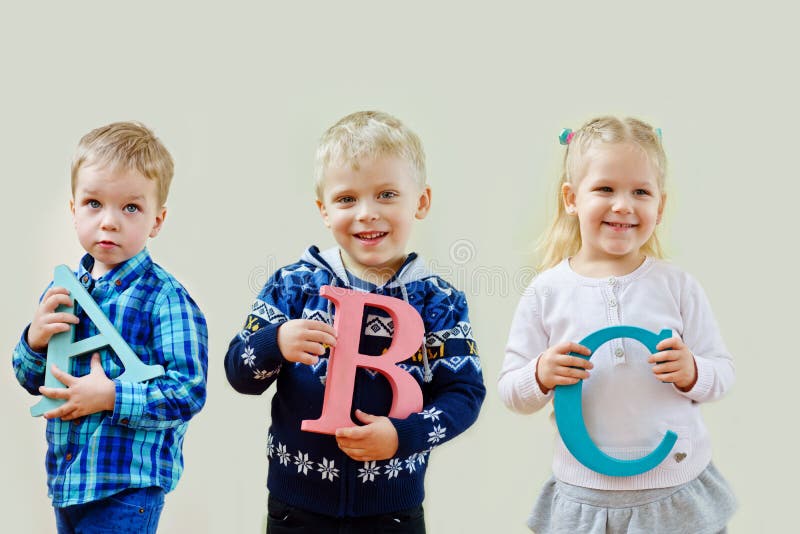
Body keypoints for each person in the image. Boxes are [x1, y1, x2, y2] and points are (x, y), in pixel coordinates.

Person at [225, 110, 485, 533]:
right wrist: (277, 342)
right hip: (295, 508)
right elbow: (239, 373)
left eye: (386, 194)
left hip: (393, 511)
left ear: (421, 202)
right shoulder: (294, 284)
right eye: (347, 199)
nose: (366, 213)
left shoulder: (439, 301)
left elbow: (465, 394)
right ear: (324, 210)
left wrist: (404, 435)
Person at [498, 116, 736, 533]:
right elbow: (510, 391)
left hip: (676, 491)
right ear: (571, 198)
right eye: (605, 189)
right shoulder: (546, 291)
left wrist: (693, 371)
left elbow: (723, 372)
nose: (623, 205)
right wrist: (539, 373)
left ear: (659, 207)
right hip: (585, 498)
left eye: (640, 192)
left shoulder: (677, 286)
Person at [12, 121, 208, 534]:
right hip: (68, 481)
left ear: (157, 220)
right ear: (74, 210)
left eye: (130, 208)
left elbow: (188, 392)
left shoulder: (166, 298)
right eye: (94, 203)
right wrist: (34, 340)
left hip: (126, 489)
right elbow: (33, 381)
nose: (109, 221)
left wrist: (111, 396)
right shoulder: (63, 291)